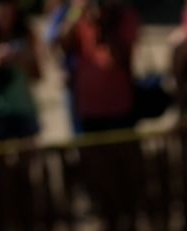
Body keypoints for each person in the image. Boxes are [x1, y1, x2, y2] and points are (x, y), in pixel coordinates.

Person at [54, 0, 141, 133]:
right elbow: (61, 43)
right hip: (87, 108)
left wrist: (105, 19)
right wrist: (76, 13)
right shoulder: (78, 12)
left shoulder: (123, 14)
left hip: (120, 107)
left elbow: (120, 55)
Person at [0, 0, 43, 141]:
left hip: (24, 110)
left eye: (7, 10)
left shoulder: (26, 37)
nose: (3, 14)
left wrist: (20, 59)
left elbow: (37, 75)